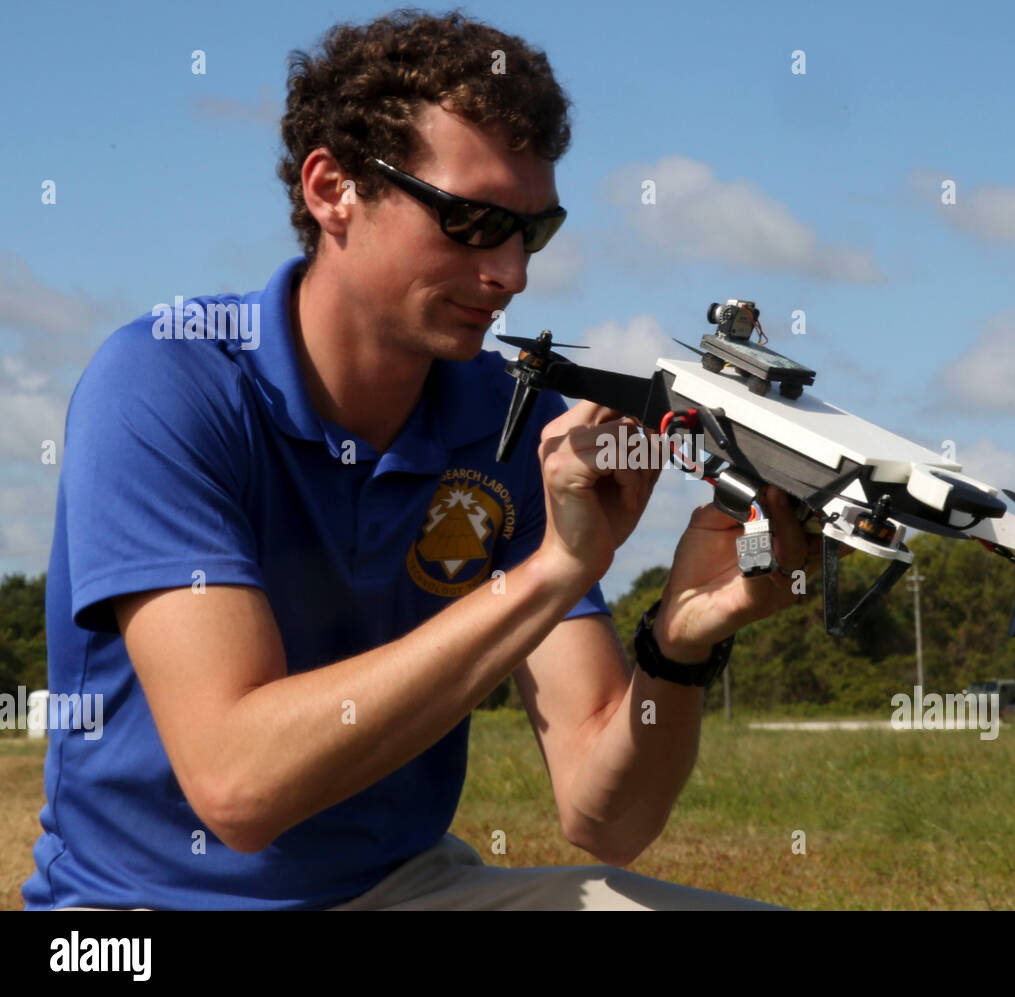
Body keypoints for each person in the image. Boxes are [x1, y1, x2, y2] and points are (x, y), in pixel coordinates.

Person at [23, 9, 818, 911]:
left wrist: (677, 645)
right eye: (473, 220)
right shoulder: (165, 381)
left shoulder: (507, 418)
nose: (512, 272)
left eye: (534, 230)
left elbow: (609, 818)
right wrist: (552, 573)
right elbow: (238, 787)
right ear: (334, 191)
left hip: (400, 890)